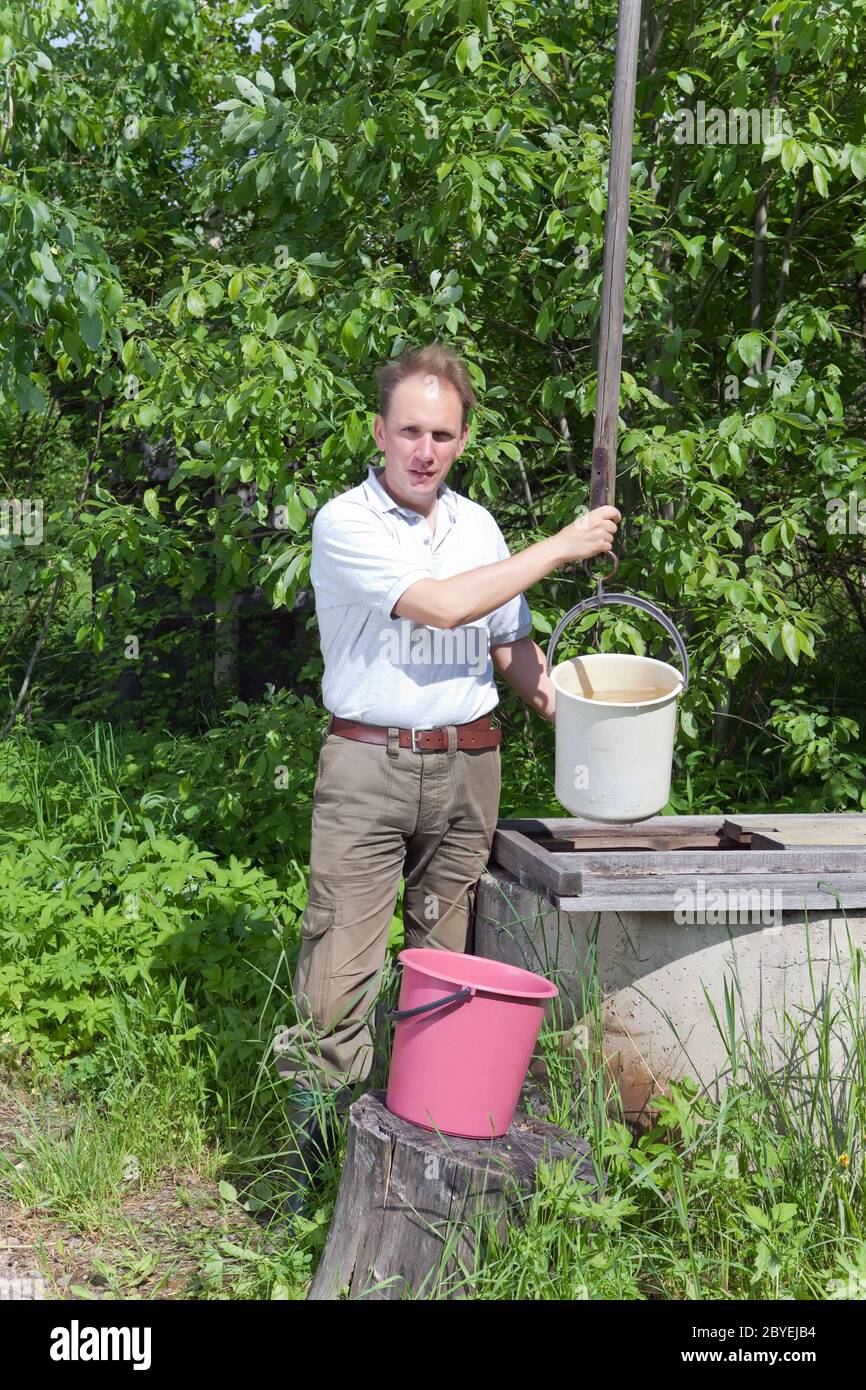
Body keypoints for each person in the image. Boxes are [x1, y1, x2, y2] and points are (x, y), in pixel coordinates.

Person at [272, 341, 620, 1210]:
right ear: (380, 432)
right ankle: (313, 1181)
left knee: (445, 969)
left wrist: (583, 716)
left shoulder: (477, 528)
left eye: (444, 434)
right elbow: (441, 604)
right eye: (410, 431)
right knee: (337, 975)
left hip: (469, 768)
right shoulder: (343, 522)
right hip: (369, 765)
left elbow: (506, 642)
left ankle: (425, 1167)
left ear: (463, 439)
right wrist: (564, 545)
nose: (425, 450)